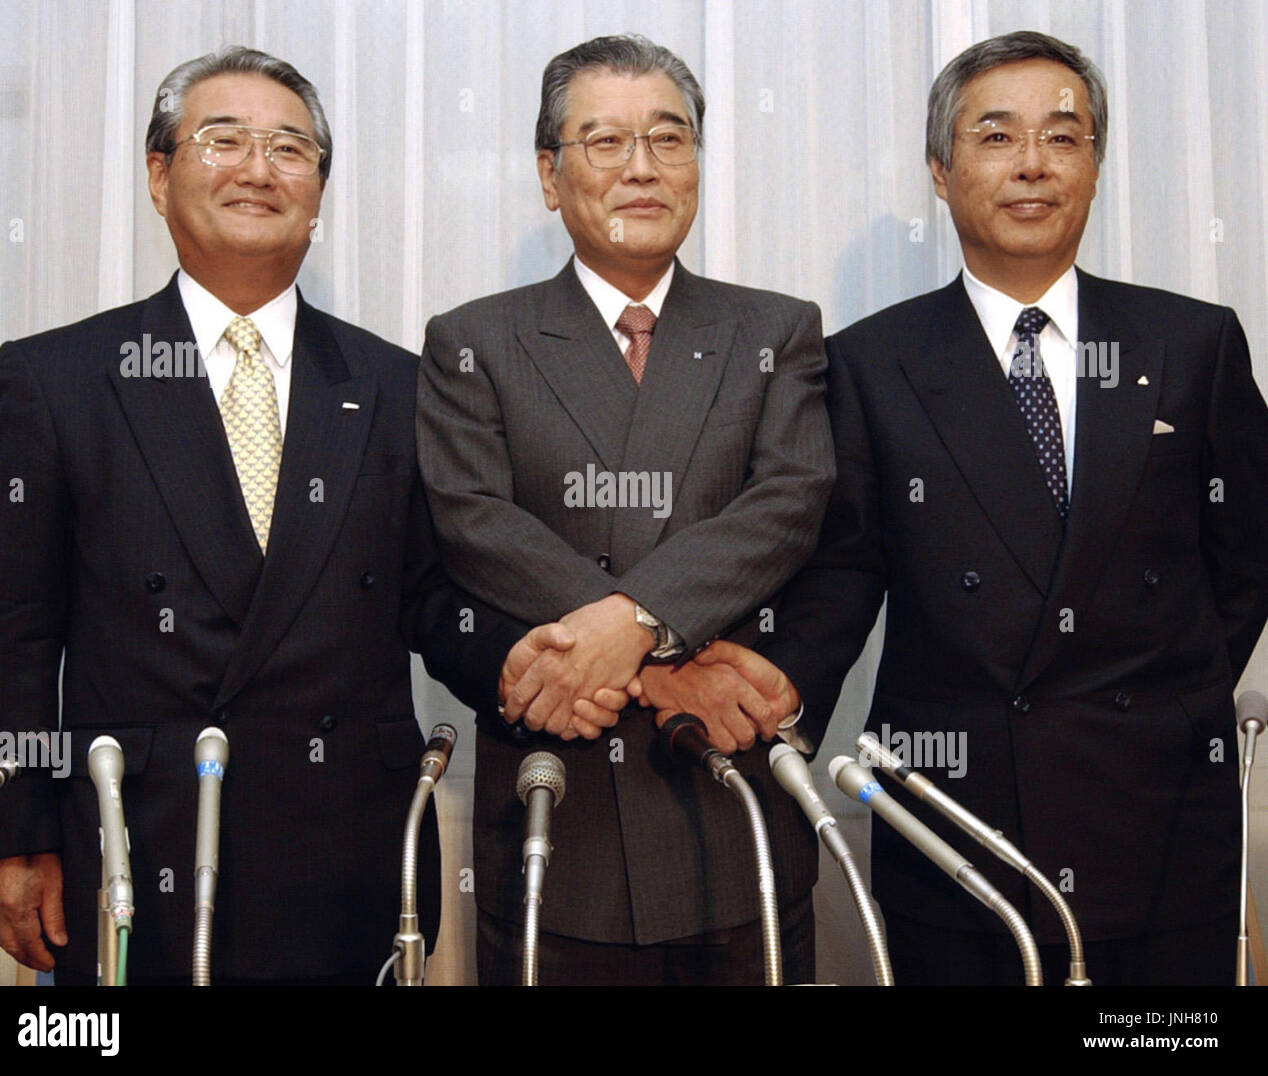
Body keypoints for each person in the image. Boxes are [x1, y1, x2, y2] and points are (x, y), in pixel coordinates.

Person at [0, 45, 557, 985]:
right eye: (223, 139)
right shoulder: (59, 378)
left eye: (290, 148)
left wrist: (519, 661)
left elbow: (428, 597)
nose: (257, 167)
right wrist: (14, 831)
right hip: (132, 848)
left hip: (348, 852)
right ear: (159, 177)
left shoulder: (395, 382)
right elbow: (9, 629)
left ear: (319, 193)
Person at [741, 30, 1268, 985]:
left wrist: (1163, 703)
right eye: (996, 136)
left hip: (1162, 815)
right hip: (957, 818)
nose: (1033, 163)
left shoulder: (1192, 343)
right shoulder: (871, 362)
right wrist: (771, 693)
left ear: (1096, 167)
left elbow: (1245, 559)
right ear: (941, 171)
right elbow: (845, 574)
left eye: (1063, 137)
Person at [416, 34, 835, 985]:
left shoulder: (777, 329)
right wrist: (664, 666)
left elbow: (788, 503)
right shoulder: (474, 340)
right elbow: (474, 521)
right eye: (605, 142)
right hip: (558, 820)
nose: (641, 167)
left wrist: (633, 623)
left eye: (669, 138)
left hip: (735, 822)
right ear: (549, 173)